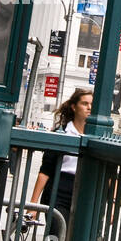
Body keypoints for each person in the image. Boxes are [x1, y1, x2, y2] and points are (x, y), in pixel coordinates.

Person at [30, 88, 93, 225]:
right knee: (59, 238)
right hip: (58, 190)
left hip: (84, 192)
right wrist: (33, 206)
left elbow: (110, 175)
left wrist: (110, 205)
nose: (89, 108)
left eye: (91, 104)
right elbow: (45, 171)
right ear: (74, 107)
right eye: (84, 103)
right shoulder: (62, 133)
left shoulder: (95, 136)